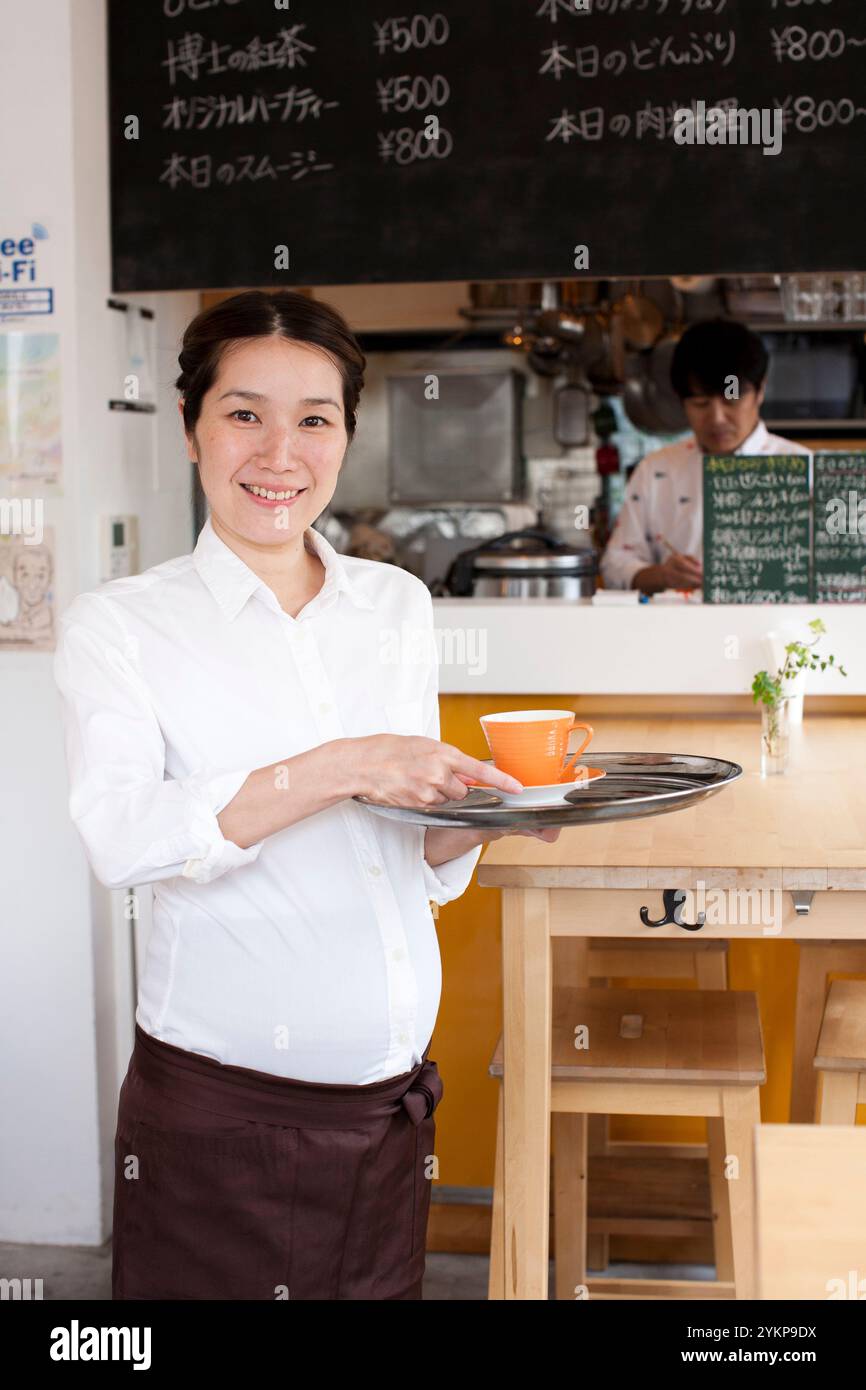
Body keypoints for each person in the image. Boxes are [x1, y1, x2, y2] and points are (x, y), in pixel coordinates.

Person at [53, 289, 560, 1302]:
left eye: (314, 419)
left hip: (388, 1120)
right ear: (190, 427)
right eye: (244, 413)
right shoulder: (120, 626)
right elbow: (123, 838)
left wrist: (486, 820)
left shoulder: (395, 606)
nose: (279, 453)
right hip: (221, 1129)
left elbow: (401, 852)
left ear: (346, 436)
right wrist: (341, 765)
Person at [600, 318, 811, 594]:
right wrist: (663, 576)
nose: (717, 418)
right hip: (679, 620)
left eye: (731, 400)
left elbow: (844, 569)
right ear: (681, 401)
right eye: (701, 404)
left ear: (760, 391)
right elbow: (615, 565)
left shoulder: (806, 470)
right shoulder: (656, 471)